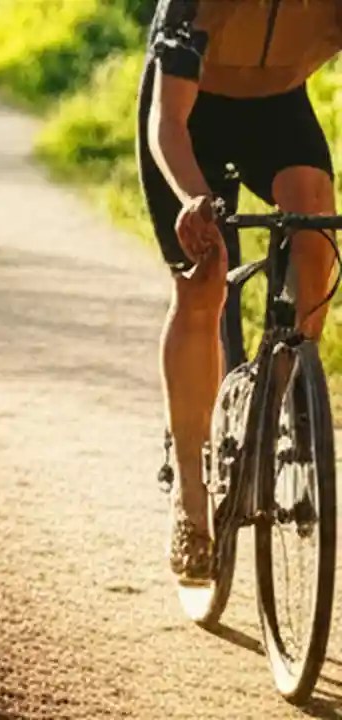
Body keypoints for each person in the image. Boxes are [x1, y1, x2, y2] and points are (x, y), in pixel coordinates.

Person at [137, 0, 342, 584]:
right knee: (203, 275)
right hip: (188, 117)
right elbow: (168, 123)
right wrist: (192, 200)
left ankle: (278, 397)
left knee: (317, 230)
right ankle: (191, 502)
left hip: (278, 110)